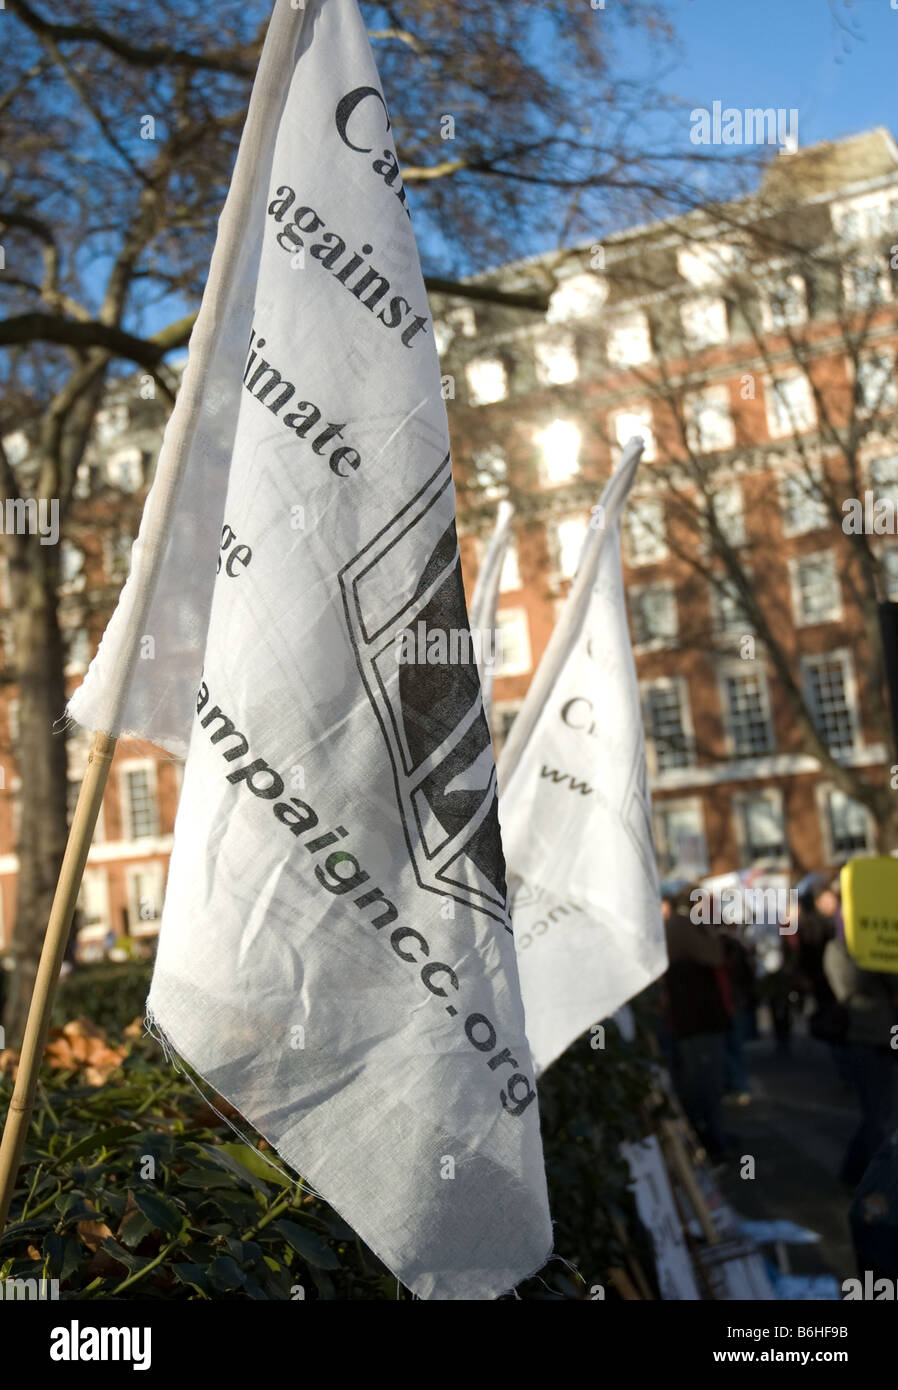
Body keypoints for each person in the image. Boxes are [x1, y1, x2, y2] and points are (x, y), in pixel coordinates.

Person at [823, 932, 898, 1187]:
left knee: (879, 1113)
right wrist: (876, 963)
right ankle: (869, 1179)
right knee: (876, 1116)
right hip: (863, 1038)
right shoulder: (839, 948)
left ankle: (855, 1173)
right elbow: (850, 985)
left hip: (882, 1035)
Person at [663, 886, 731, 1159]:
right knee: (704, 1083)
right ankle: (710, 1140)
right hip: (697, 1021)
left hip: (699, 1020)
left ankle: (713, 1136)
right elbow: (713, 955)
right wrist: (712, 930)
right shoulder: (683, 926)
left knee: (705, 1081)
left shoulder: (684, 924)